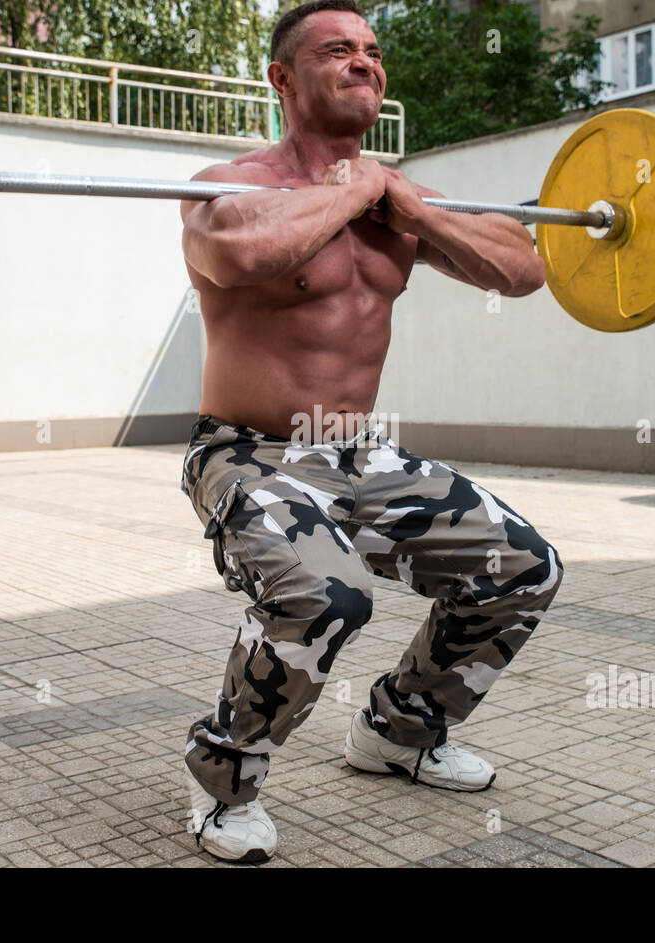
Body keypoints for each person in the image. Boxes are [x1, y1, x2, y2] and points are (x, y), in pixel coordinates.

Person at [177, 0, 561, 864]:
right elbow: (235, 256)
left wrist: (410, 211)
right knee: (326, 595)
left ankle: (398, 730)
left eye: (373, 52)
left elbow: (525, 268)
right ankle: (224, 778)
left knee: (524, 567)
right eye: (337, 50)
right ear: (282, 78)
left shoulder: (398, 204)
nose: (364, 63)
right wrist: (351, 189)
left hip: (362, 454)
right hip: (250, 454)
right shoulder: (229, 184)